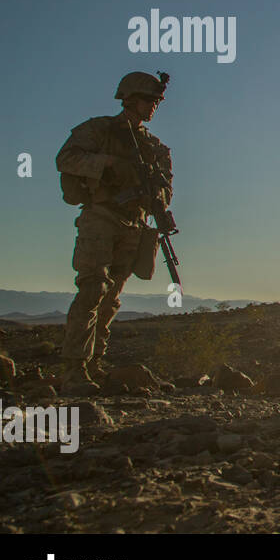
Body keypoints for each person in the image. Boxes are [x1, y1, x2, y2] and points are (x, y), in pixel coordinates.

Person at [56, 71, 172, 396]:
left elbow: (166, 189)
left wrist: (157, 197)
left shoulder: (154, 147)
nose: (154, 106)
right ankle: (75, 369)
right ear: (130, 99)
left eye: (157, 102)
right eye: (150, 100)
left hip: (134, 222)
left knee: (112, 296)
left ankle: (94, 363)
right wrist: (107, 164)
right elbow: (65, 159)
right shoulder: (99, 130)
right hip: (101, 216)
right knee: (93, 288)